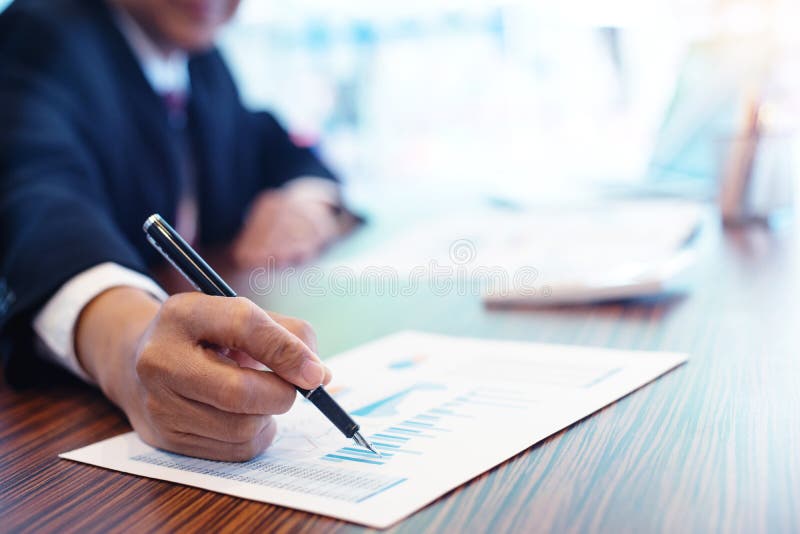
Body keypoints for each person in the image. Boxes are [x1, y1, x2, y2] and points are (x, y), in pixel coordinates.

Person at [0, 0, 350, 461]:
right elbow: (36, 194)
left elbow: (280, 148)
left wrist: (306, 200)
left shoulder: (201, 60)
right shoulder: (40, 32)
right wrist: (127, 348)